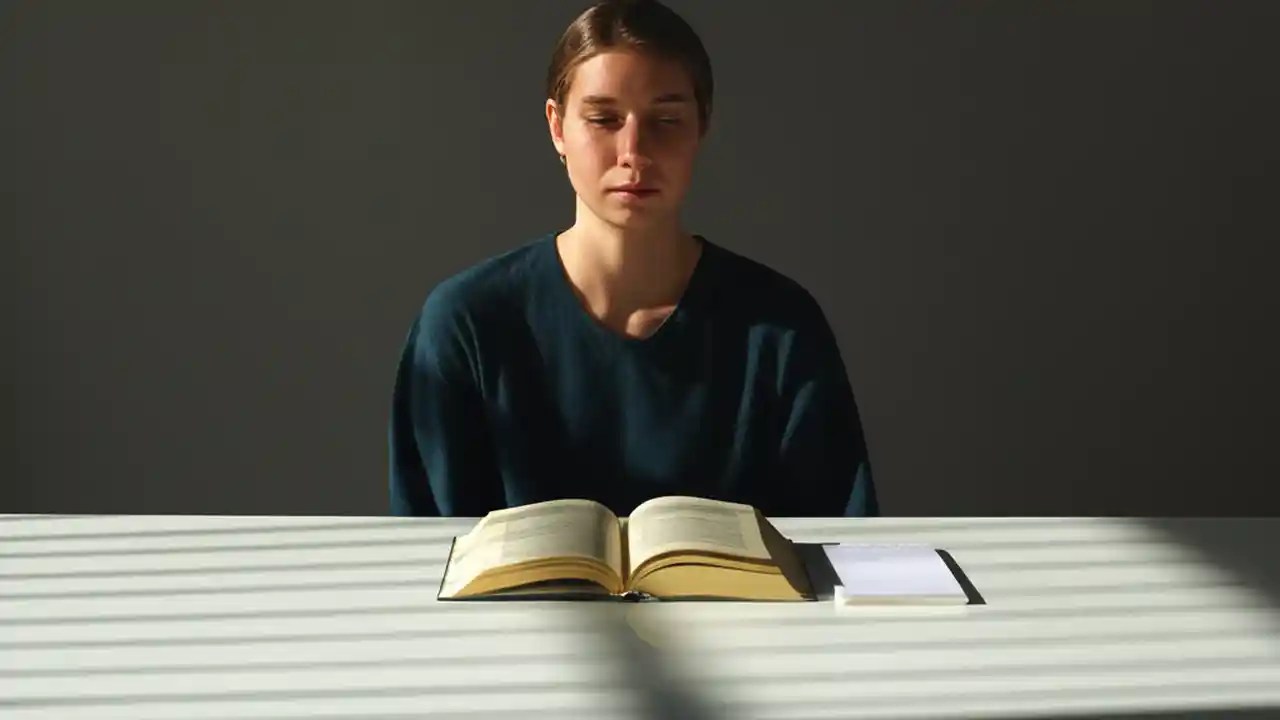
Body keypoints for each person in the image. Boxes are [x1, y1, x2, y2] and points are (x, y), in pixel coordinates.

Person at [389, 0, 877, 518]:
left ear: (701, 126)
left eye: (666, 120)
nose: (634, 151)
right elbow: (433, 564)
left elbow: (840, 551)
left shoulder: (780, 329)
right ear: (557, 127)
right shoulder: (465, 325)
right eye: (603, 119)